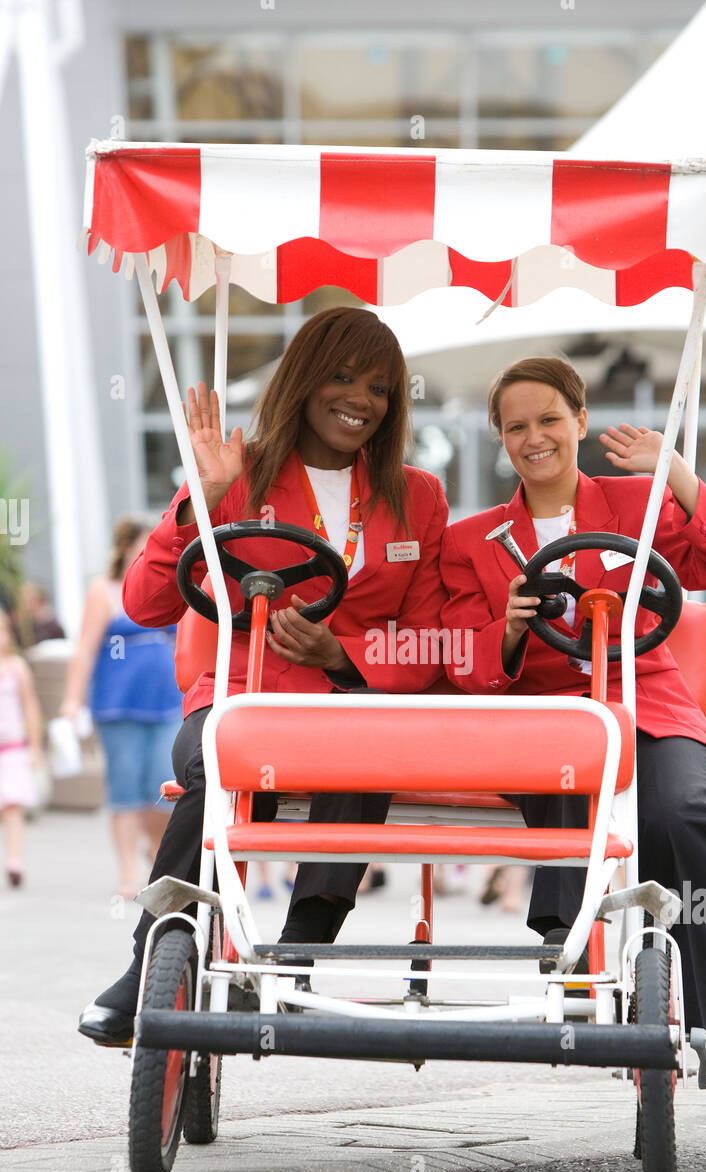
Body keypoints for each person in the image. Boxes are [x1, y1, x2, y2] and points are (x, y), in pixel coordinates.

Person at [79, 307, 448, 1046]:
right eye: (342, 377)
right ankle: (151, 953)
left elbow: (432, 641)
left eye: (379, 386)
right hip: (241, 697)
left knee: (367, 753)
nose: (361, 399)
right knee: (215, 764)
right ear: (304, 381)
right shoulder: (238, 473)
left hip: (349, 704)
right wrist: (203, 500)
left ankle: (300, 951)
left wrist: (344, 658)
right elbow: (145, 603)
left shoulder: (419, 496)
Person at [440, 355, 706, 1107]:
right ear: (500, 438)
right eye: (516, 426)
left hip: (646, 706)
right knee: (570, 760)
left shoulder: (639, 500)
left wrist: (675, 469)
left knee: (680, 814)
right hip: (540, 720)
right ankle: (566, 943)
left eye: (550, 420)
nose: (535, 438)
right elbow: (465, 662)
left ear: (580, 421)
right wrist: (508, 630)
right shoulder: (471, 540)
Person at [61, 518, 183, 898]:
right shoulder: (105, 591)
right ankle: (128, 873)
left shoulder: (171, 587)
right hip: (119, 705)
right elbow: (85, 649)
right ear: (127, 548)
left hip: (168, 703)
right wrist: (72, 700)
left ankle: (155, 848)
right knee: (126, 787)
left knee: (166, 787)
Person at [0, 609, 43, 885]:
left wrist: (35, 746)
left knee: (13, 807)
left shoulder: (16, 668)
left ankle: (14, 860)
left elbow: (30, 708)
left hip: (12, 748)